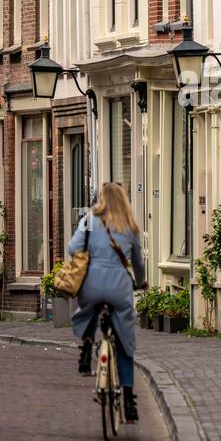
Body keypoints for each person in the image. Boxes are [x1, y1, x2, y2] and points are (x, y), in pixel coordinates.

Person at [68, 181, 146, 422]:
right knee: (124, 341)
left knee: (89, 309)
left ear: (101, 199)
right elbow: (138, 262)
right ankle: (129, 401)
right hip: (119, 287)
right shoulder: (130, 226)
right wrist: (140, 281)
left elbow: (73, 248)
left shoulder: (90, 220)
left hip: (91, 284)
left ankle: (86, 348)